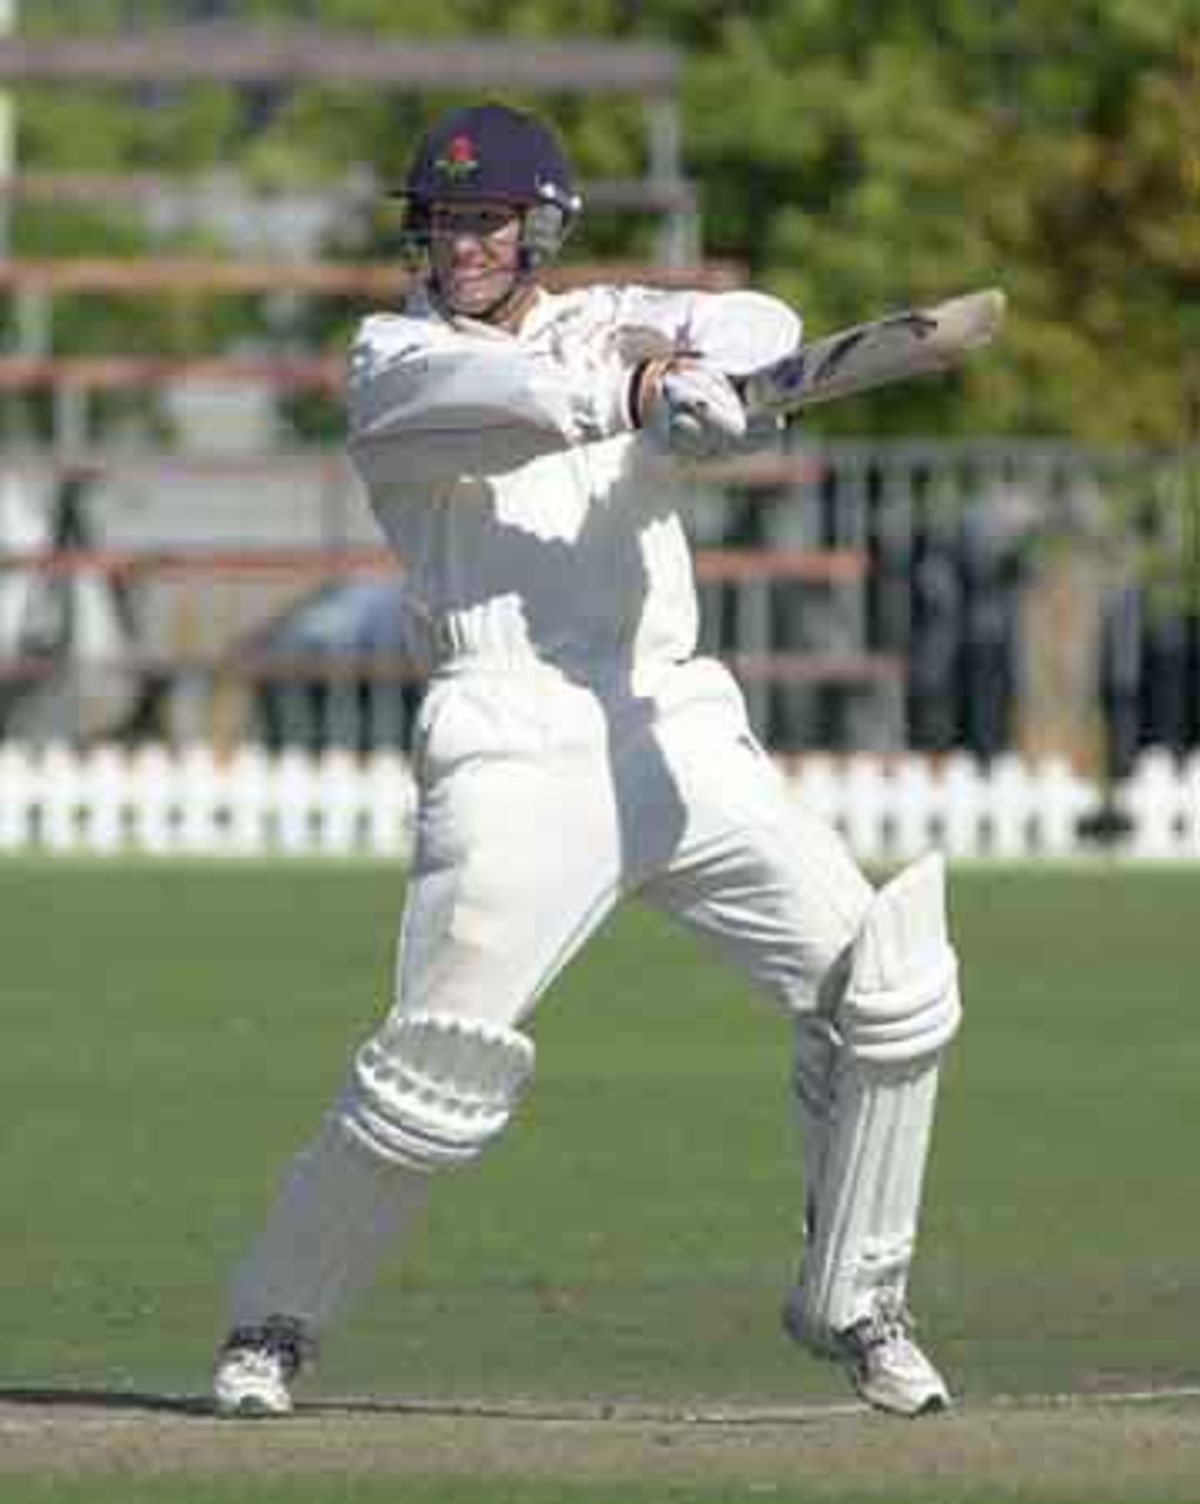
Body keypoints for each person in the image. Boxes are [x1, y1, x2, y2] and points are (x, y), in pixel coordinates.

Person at [212, 102, 962, 1420]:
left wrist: (699, 381)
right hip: (512, 738)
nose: (466, 245)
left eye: (490, 221)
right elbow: (485, 404)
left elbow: (767, 321)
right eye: (446, 223)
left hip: (670, 719)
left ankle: (858, 1298)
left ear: (539, 226)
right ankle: (274, 1322)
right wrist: (629, 395)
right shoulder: (394, 357)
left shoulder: (606, 314)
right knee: (435, 1069)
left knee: (886, 988)